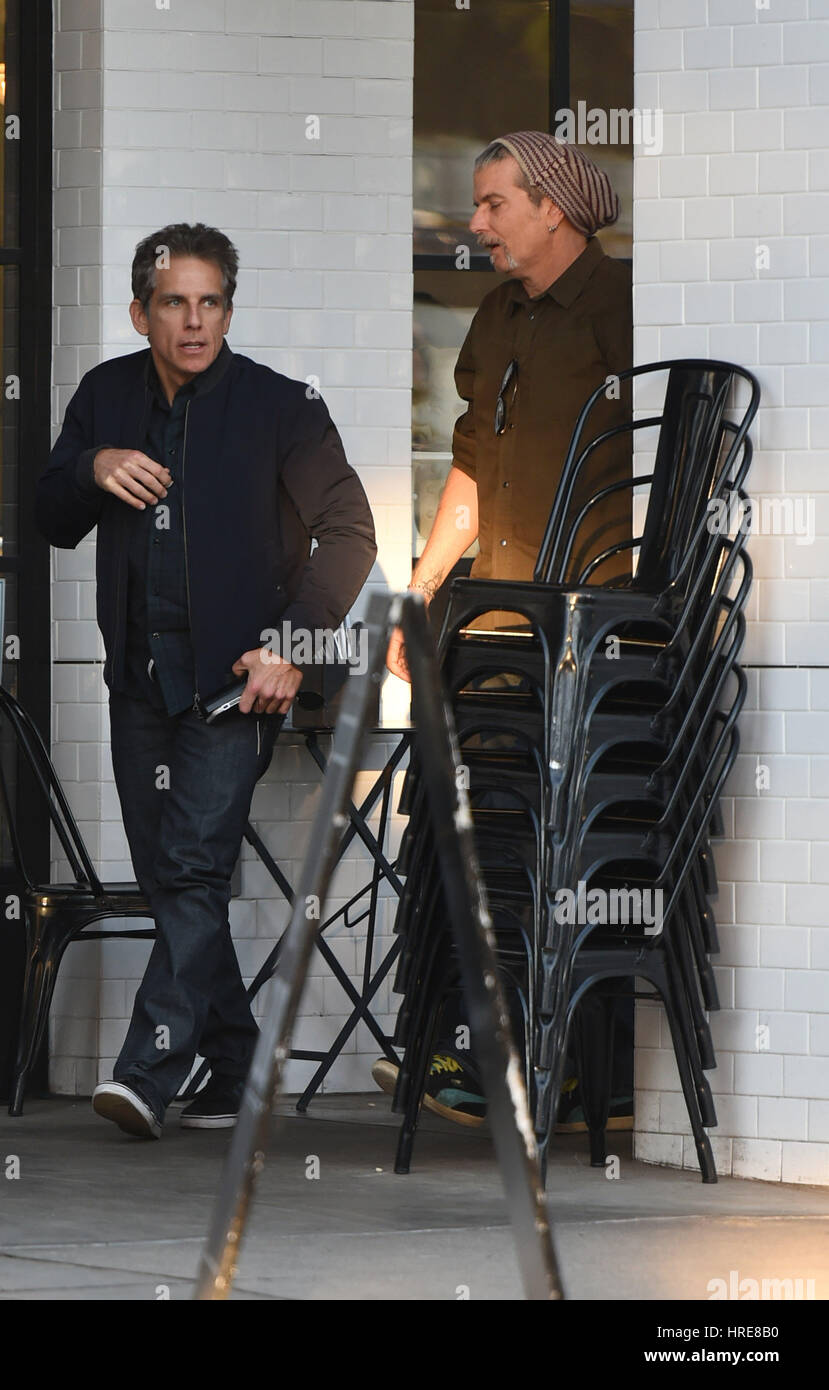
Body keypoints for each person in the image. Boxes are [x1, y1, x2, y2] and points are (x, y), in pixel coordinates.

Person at [37, 223, 376, 1140]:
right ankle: (235, 1069)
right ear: (139, 312)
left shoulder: (281, 407)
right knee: (173, 881)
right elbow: (49, 517)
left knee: (189, 869)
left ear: (228, 308)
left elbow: (349, 532)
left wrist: (289, 646)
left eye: (210, 303)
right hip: (139, 681)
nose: (193, 322)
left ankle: (146, 1073)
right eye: (174, 304)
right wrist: (90, 467)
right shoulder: (106, 395)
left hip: (235, 687)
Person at [378, 132, 633, 1127]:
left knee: (564, 848)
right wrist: (422, 584)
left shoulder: (621, 306)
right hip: (494, 624)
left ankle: (571, 1068)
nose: (475, 222)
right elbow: (472, 470)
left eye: (492, 204)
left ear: (551, 209)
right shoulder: (496, 314)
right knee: (476, 837)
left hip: (593, 631)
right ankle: (465, 1045)